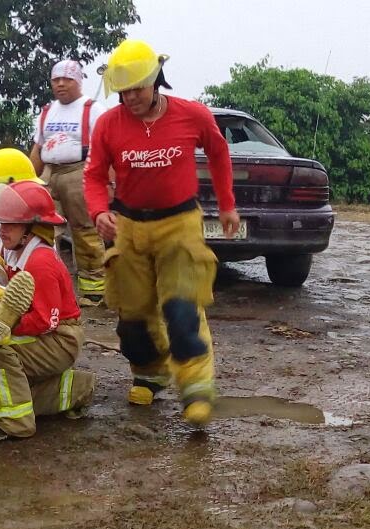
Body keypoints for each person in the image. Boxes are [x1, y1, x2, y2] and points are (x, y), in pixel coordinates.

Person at [83, 39, 241, 427]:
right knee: (132, 315)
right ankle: (149, 374)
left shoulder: (193, 115)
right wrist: (99, 211)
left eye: (137, 87)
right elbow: (93, 175)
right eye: (123, 90)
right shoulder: (108, 124)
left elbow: (219, 154)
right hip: (129, 225)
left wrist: (227, 204)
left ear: (156, 81)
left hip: (180, 223)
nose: (130, 97)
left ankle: (196, 387)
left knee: (182, 307)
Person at [0, 180, 96, 437]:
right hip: (48, 335)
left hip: (60, 339)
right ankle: (75, 388)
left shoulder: (39, 262)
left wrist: (2, 327)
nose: (2, 230)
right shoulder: (16, 252)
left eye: (11, 224)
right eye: (1, 223)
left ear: (31, 228)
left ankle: (16, 423)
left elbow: (43, 321)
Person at [30, 60, 108, 306]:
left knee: (85, 230)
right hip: (49, 174)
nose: (61, 84)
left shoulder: (93, 109)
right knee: (41, 229)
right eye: (56, 79)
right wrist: (28, 180)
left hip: (80, 172)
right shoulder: (46, 111)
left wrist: (110, 185)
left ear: (79, 81)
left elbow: (107, 150)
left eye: (67, 79)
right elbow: (38, 147)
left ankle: (94, 290)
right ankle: (48, 285)